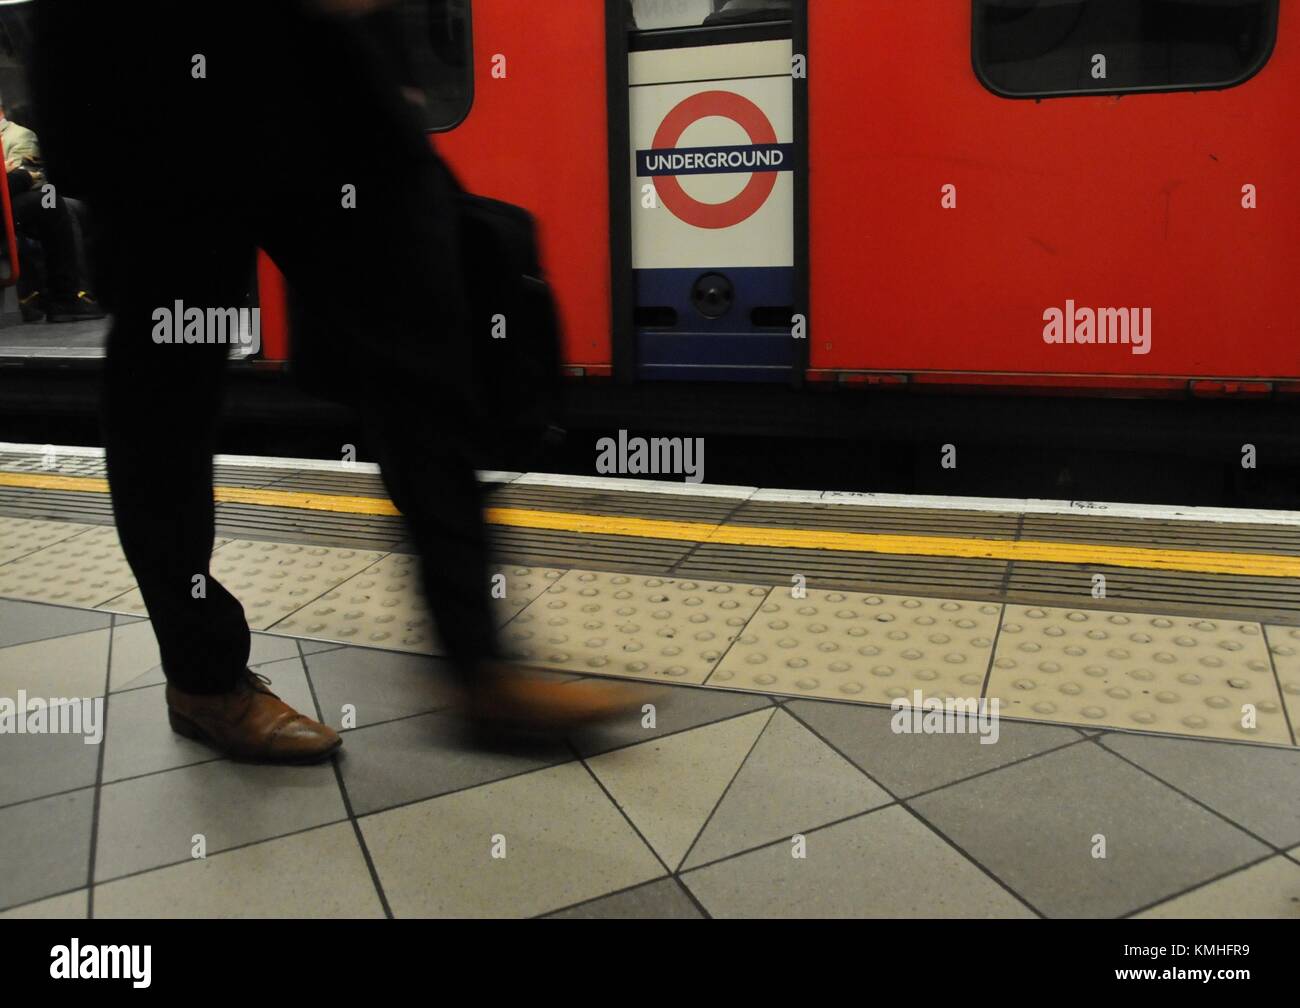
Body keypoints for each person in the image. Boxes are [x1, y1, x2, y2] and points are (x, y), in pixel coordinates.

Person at [31, 0, 646, 764]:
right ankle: (204, 678)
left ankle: (480, 664)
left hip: (315, 73)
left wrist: (393, 71)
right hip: (153, 77)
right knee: (170, 390)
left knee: (421, 348)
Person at [0, 95, 104, 323]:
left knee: (52, 200)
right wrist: (18, 175)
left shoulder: (18, 136)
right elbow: (23, 176)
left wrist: (16, 175)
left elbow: (29, 174)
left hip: (20, 198)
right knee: (52, 204)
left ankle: (67, 294)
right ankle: (66, 297)